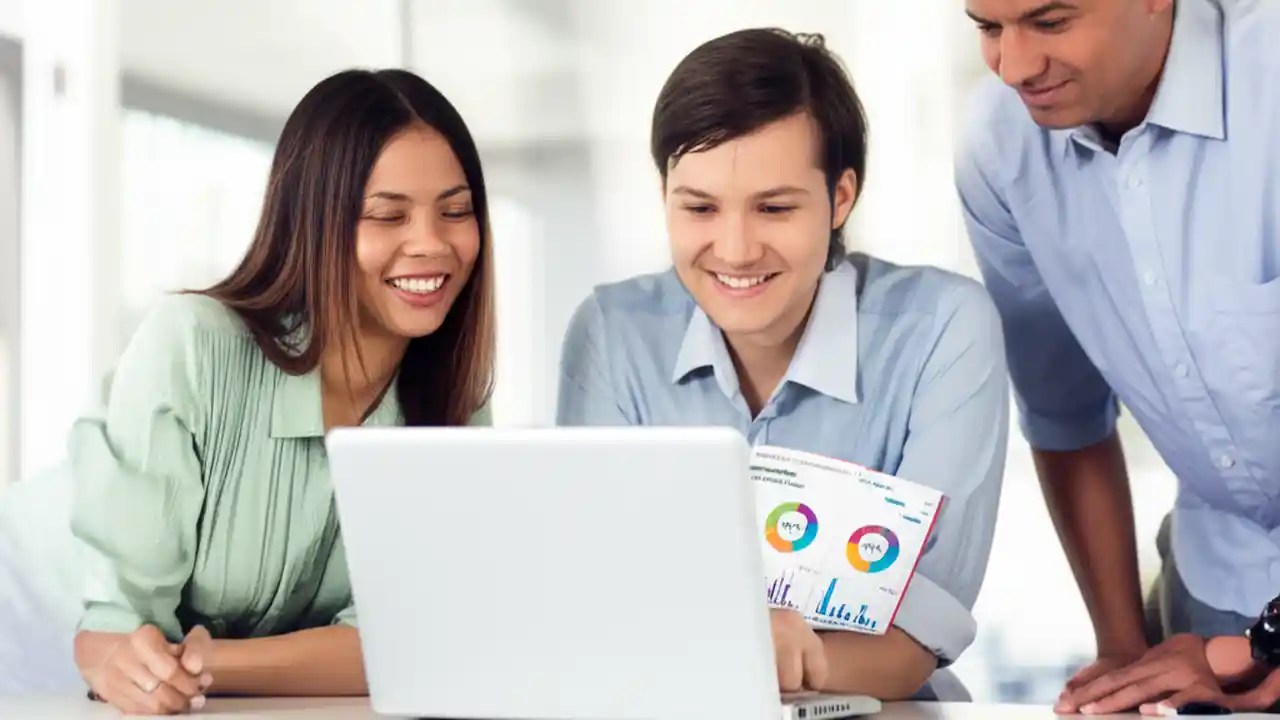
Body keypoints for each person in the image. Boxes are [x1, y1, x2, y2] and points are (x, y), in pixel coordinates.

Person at [557, 28, 1008, 700]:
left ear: (841, 198)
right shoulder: (612, 334)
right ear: (665, 198)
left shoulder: (943, 331)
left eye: (773, 208)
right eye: (700, 208)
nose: (735, 249)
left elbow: (911, 644)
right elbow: (595, 597)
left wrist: (763, 656)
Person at [68, 68, 494, 715]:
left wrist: (202, 661)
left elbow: (413, 641)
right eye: (387, 215)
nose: (431, 244)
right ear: (313, 221)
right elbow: (114, 631)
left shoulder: (454, 401)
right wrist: (128, 656)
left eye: (456, 211)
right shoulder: (193, 344)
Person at [956, 0, 1280, 714]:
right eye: (986, 28)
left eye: (1050, 22)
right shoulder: (1001, 146)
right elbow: (1062, 412)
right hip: (1212, 598)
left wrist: (1260, 653)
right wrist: (1124, 658)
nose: (1014, 67)